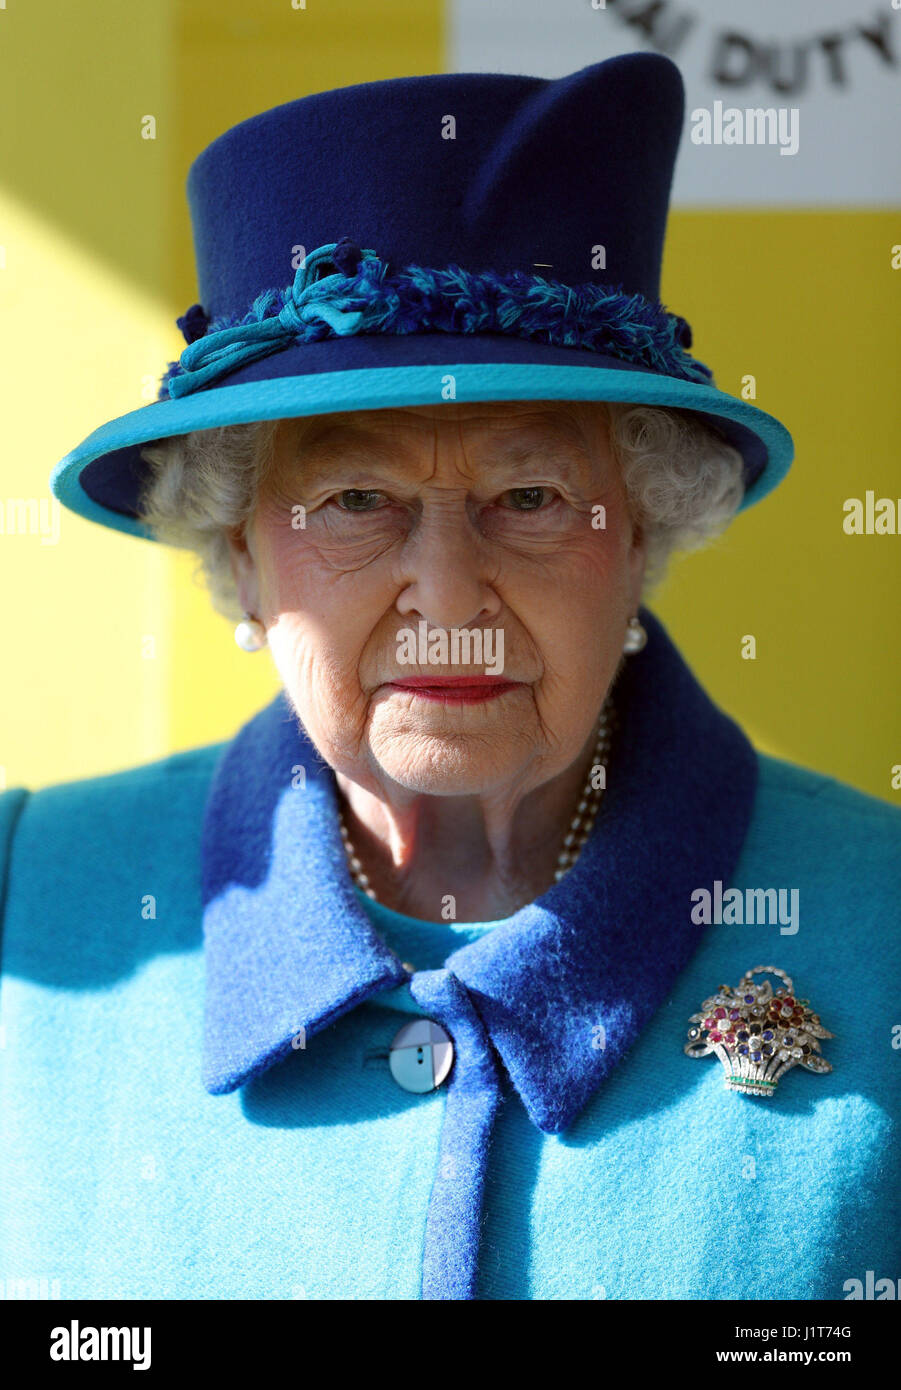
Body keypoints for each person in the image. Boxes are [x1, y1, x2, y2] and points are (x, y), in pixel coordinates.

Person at [2, 53, 898, 1301]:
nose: (448, 590)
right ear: (241, 555)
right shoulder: (27, 912)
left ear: (639, 532)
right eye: (355, 500)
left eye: (528, 496)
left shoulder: (881, 919)